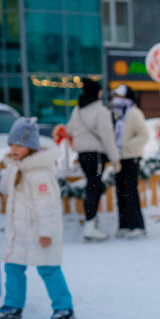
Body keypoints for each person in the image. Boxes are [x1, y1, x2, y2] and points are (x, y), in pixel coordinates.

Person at [0, 118, 76, 319]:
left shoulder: (39, 173)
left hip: (40, 233)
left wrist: (46, 232)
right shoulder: (16, 167)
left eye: (19, 145)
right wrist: (9, 169)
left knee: (48, 269)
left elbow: (46, 205)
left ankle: (63, 307)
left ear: (30, 146)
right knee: (13, 267)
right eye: (12, 144)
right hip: (18, 232)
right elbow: (4, 188)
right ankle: (13, 305)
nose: (14, 149)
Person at [64, 77, 120, 241]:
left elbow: (69, 129)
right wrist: (115, 159)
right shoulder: (100, 111)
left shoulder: (78, 109)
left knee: (92, 185)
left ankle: (92, 223)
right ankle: (90, 225)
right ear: (97, 92)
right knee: (93, 186)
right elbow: (107, 136)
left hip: (82, 154)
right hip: (95, 154)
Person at [110, 84, 150, 238]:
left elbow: (144, 135)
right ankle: (125, 224)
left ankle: (137, 225)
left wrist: (127, 146)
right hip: (120, 158)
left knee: (130, 191)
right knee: (120, 192)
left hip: (131, 157)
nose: (115, 99)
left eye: (119, 96)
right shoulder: (118, 114)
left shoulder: (134, 113)